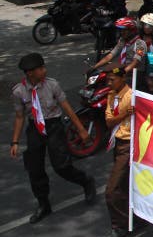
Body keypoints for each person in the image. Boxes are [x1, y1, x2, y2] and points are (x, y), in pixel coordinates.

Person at [10, 53, 96, 223]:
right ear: (30, 73)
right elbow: (19, 117)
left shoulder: (52, 85)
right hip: (35, 128)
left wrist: (81, 130)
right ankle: (43, 204)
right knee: (34, 169)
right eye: (40, 68)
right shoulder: (19, 92)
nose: (44, 70)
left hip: (54, 126)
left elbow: (67, 107)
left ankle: (86, 181)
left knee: (61, 166)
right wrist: (15, 141)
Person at [101, 65, 134, 237]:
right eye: (108, 80)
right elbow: (108, 121)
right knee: (124, 184)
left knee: (112, 190)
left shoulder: (132, 97)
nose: (109, 83)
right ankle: (131, 218)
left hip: (128, 145)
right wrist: (122, 114)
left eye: (112, 80)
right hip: (117, 144)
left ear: (122, 79)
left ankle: (119, 226)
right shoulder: (112, 96)